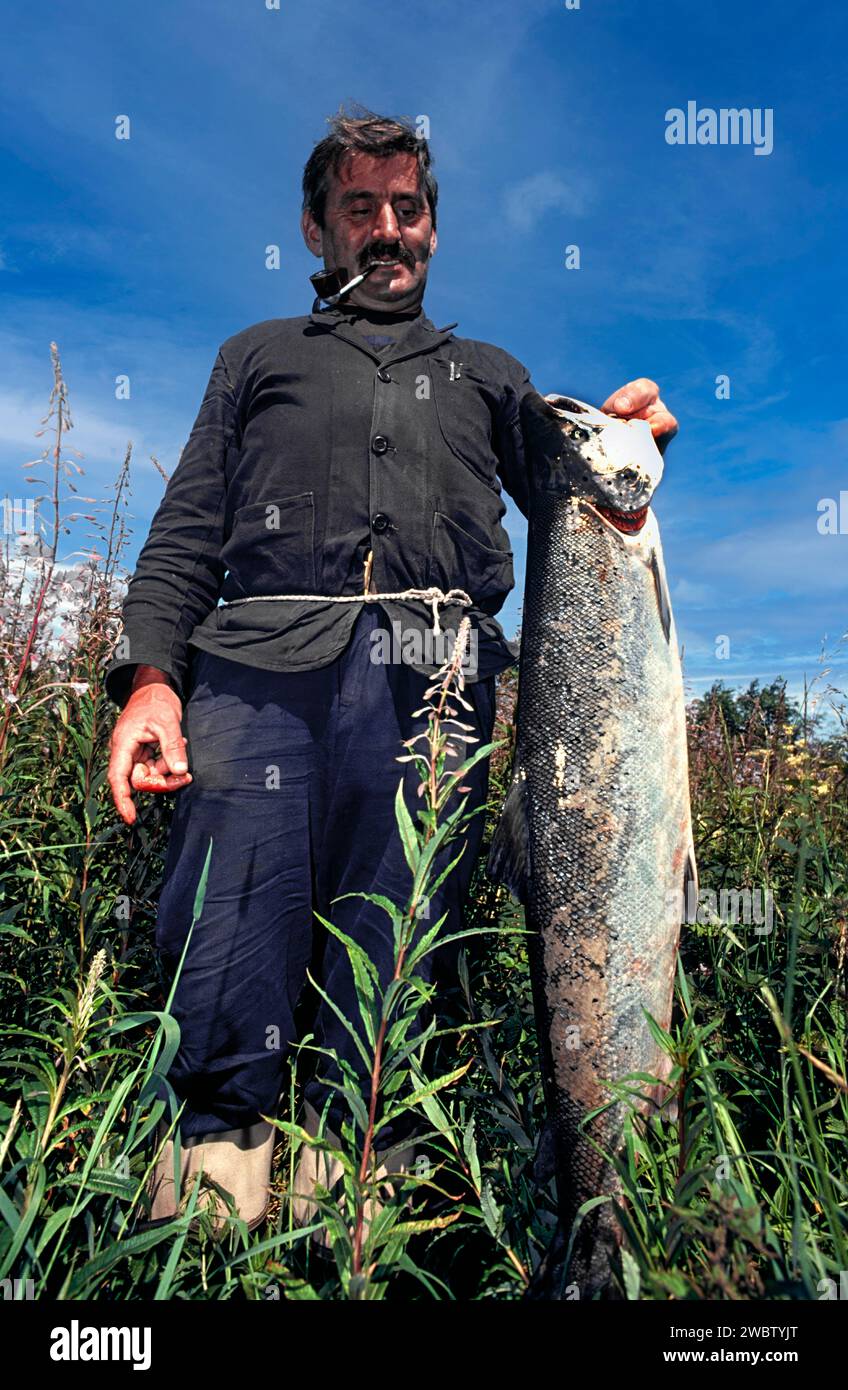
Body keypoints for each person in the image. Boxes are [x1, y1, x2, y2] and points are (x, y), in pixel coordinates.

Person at [105, 106, 679, 1233]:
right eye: (357, 209)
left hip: (436, 694)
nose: (384, 230)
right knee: (225, 935)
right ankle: (211, 1228)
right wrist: (151, 683)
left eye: (404, 211)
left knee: (395, 961)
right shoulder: (256, 357)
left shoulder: (487, 374)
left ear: (430, 230)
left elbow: (586, 491)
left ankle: (358, 1226)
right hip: (254, 682)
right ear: (314, 227)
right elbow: (181, 538)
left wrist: (637, 433)